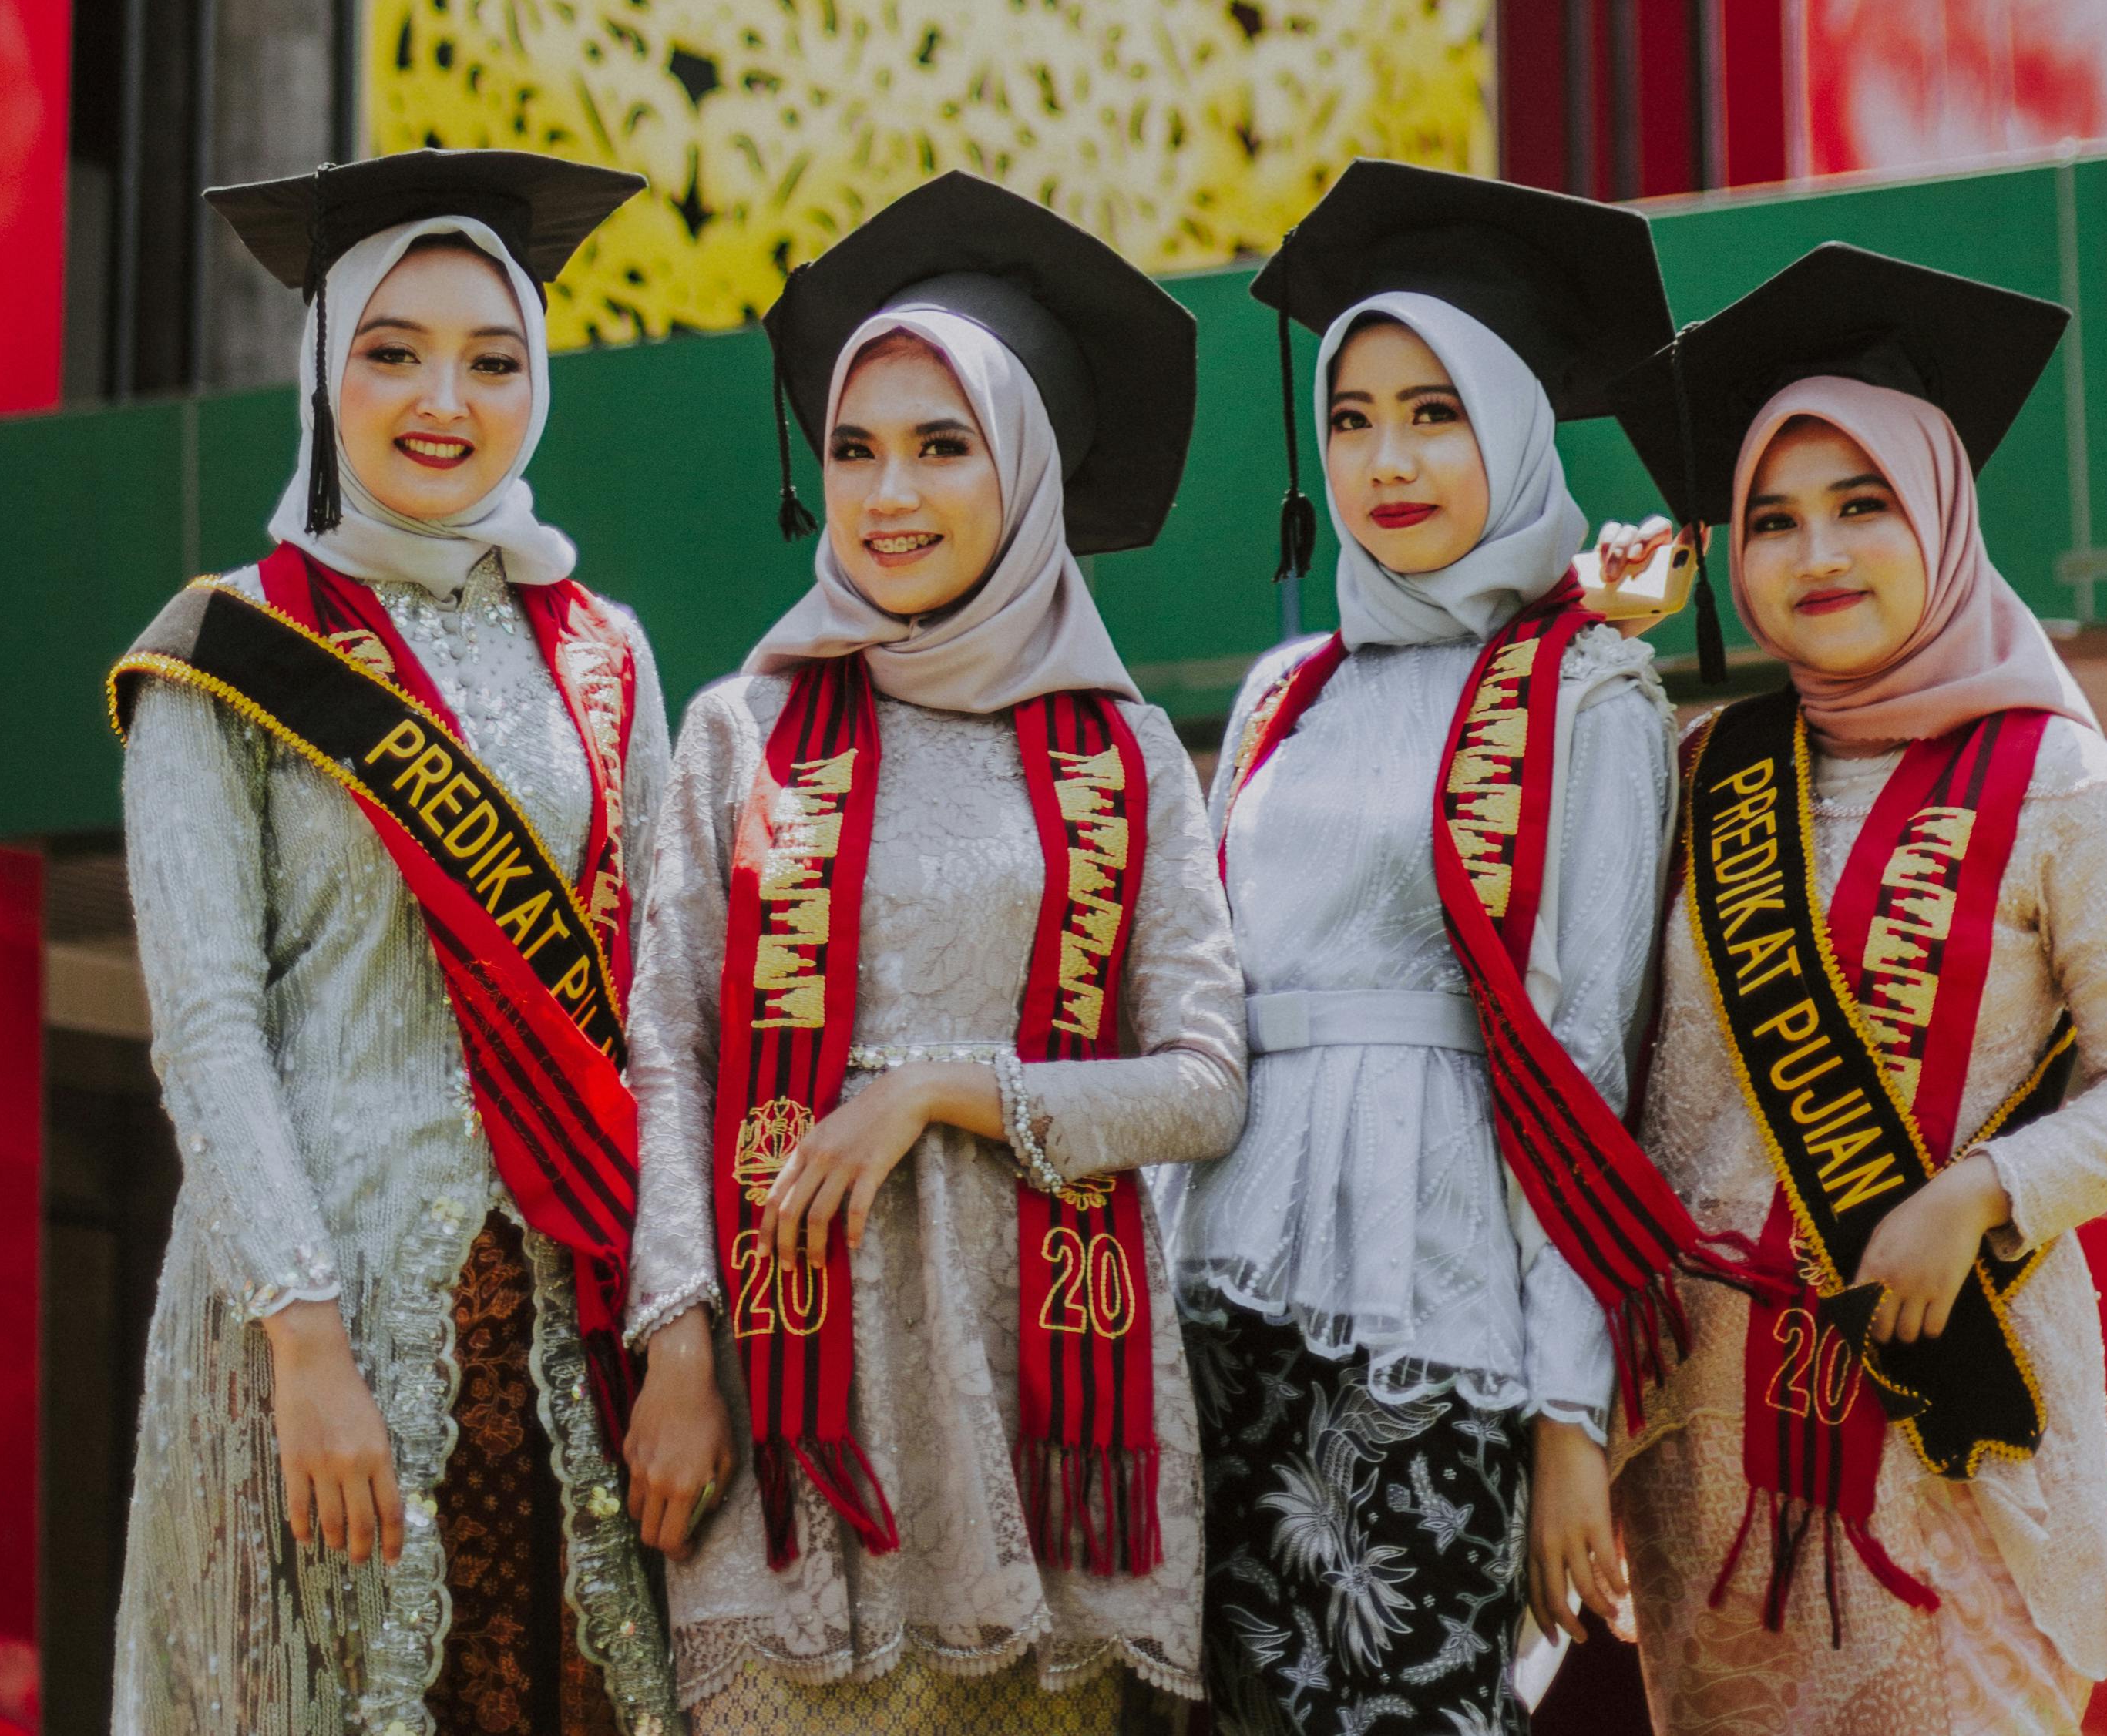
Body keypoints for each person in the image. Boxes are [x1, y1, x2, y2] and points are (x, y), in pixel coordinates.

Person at [620, 171, 1248, 1728]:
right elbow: (669, 1049)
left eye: (941, 446)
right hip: (782, 1417)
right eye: (854, 448)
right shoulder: (737, 734)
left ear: (1023, 470)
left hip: (1038, 1421)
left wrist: (943, 1091)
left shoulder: (1122, 754)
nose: (887, 494)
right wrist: (676, 1342)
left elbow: (1202, 1083)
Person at [1604, 241, 2107, 1736]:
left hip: (1947, 1436)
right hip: (1713, 1455)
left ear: (1940, 513)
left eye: (1861, 504)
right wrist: (1587, 645)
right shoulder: (1701, 773)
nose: (1816, 553)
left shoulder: (2063, 779)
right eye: (1772, 518)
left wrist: (1978, 1191)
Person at [109, 148, 680, 1736]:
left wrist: (679, 1327)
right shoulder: (226, 651)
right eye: (393, 350)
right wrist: (302, 1340)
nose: (446, 397)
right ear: (324, 371)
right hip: (324, 1327)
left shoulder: (605, 652)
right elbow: (209, 1029)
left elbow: (649, 1011)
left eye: (492, 360)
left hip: (573, 1334)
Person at [1166, 161, 1711, 1736]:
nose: (1387, 458)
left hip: (1444, 1304)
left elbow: (1576, 1062)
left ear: (1517, 426)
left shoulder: (1585, 695)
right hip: (1229, 1294)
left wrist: (1565, 1416)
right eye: (1351, 416)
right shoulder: (1284, 691)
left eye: (1435, 411)